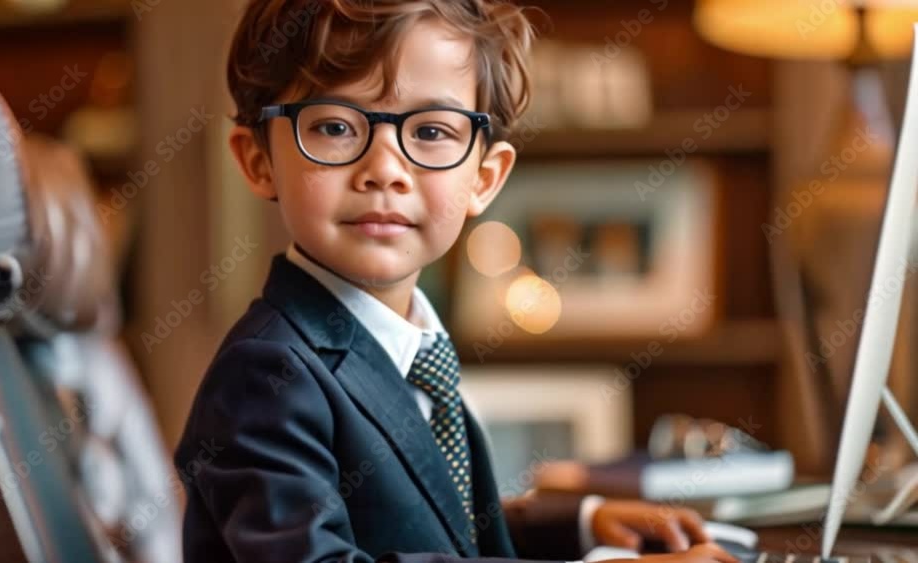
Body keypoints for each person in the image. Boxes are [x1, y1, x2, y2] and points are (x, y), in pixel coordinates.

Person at [174, 1, 740, 562]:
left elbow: (445, 526)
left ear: (484, 178)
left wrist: (583, 525)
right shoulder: (264, 377)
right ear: (258, 161)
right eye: (336, 126)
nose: (385, 170)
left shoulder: (412, 346)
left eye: (432, 131)